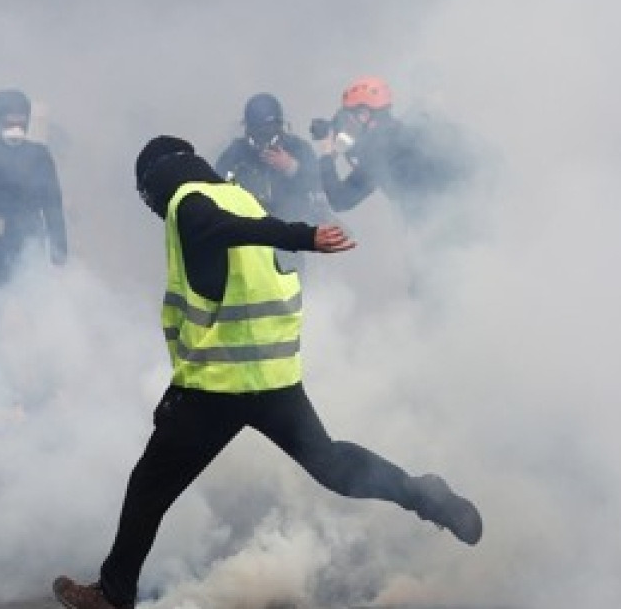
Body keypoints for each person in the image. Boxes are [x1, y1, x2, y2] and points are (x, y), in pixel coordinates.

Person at [51, 136, 483, 609]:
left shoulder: (188, 203)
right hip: (272, 376)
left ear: (153, 181)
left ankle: (113, 594)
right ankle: (426, 496)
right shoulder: (237, 194)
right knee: (333, 464)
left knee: (149, 485)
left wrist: (304, 236)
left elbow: (223, 230)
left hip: (218, 385)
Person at [312, 75, 474, 225]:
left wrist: (327, 155)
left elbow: (340, 200)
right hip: (458, 212)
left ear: (364, 114)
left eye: (351, 117)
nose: (349, 123)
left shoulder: (378, 150)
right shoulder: (397, 133)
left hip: (443, 221)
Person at [0, 88, 68, 269]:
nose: (15, 129)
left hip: (29, 241)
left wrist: (59, 247)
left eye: (20, 123)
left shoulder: (38, 155)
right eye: (9, 123)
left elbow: (52, 202)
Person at [215, 92, 330, 225]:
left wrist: (292, 167)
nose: (265, 140)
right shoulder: (234, 155)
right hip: (250, 228)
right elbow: (218, 189)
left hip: (294, 227)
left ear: (280, 127)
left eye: (270, 131)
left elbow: (319, 186)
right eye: (259, 133)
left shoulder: (298, 148)